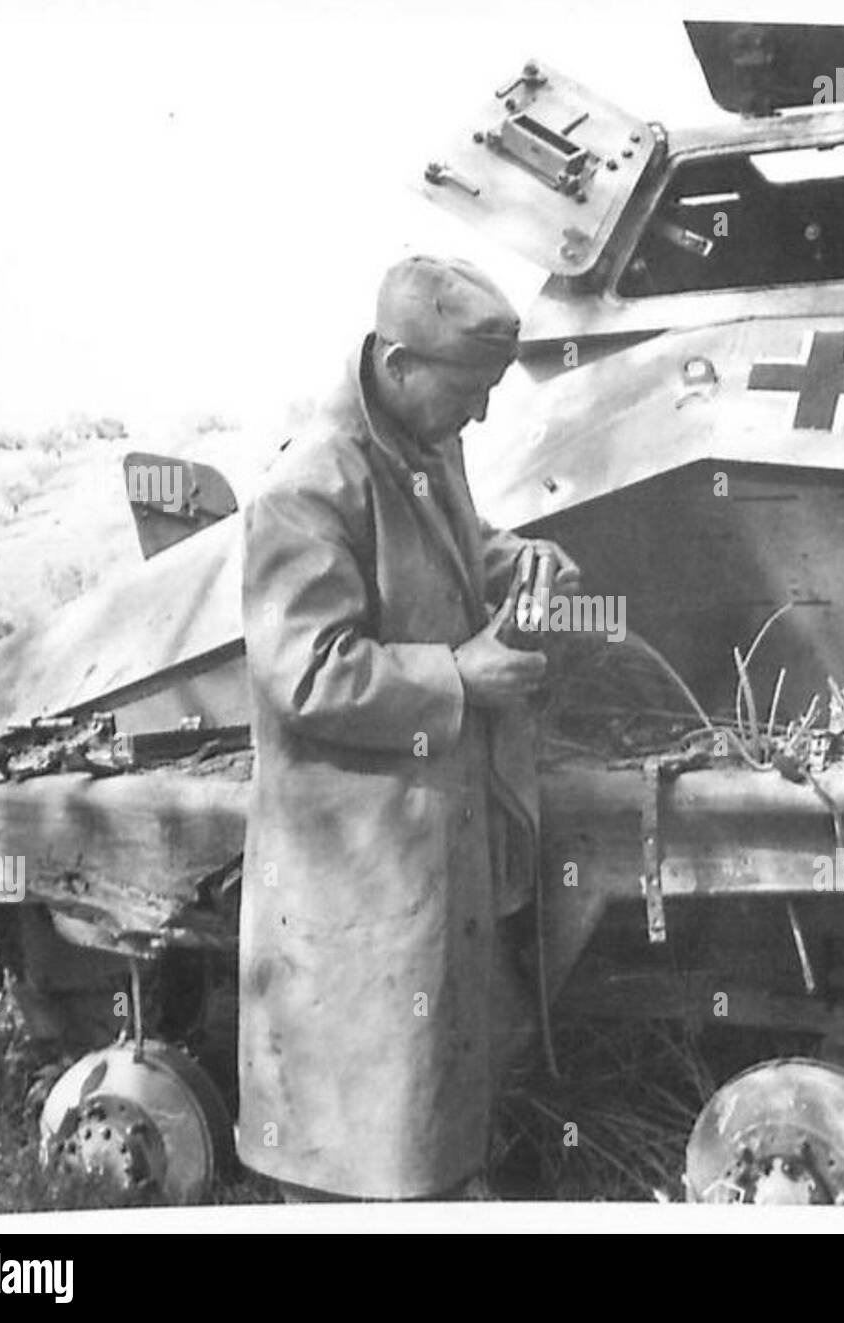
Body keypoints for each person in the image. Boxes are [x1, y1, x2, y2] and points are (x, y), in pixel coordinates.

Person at [237, 255, 579, 1201]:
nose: (477, 417)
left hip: (426, 834)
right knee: (361, 1120)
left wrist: (521, 559)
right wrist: (457, 676)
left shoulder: (422, 445)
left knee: (423, 1101)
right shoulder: (307, 489)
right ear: (397, 366)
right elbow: (305, 670)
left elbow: (452, 544)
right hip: (358, 856)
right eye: (467, 393)